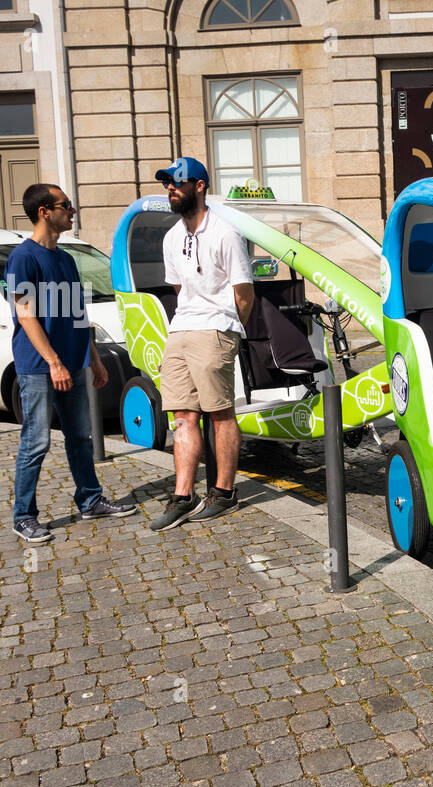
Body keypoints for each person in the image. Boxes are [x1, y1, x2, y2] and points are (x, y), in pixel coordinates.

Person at [6, 184, 136, 543]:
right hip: (39, 367)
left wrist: (93, 359)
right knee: (36, 441)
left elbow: (77, 313)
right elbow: (26, 316)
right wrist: (53, 363)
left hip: (73, 363)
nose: (73, 210)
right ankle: (23, 516)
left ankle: (90, 500)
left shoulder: (64, 258)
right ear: (44, 211)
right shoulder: (23, 257)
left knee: (81, 436)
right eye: (66, 205)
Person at [149, 157, 255, 531]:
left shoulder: (225, 233)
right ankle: (183, 495)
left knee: (220, 412)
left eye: (177, 182)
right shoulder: (171, 237)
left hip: (215, 329)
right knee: (182, 415)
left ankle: (224, 492)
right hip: (181, 329)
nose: (170, 189)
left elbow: (244, 293)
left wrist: (227, 328)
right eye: (167, 184)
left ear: (199, 186)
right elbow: (181, 290)